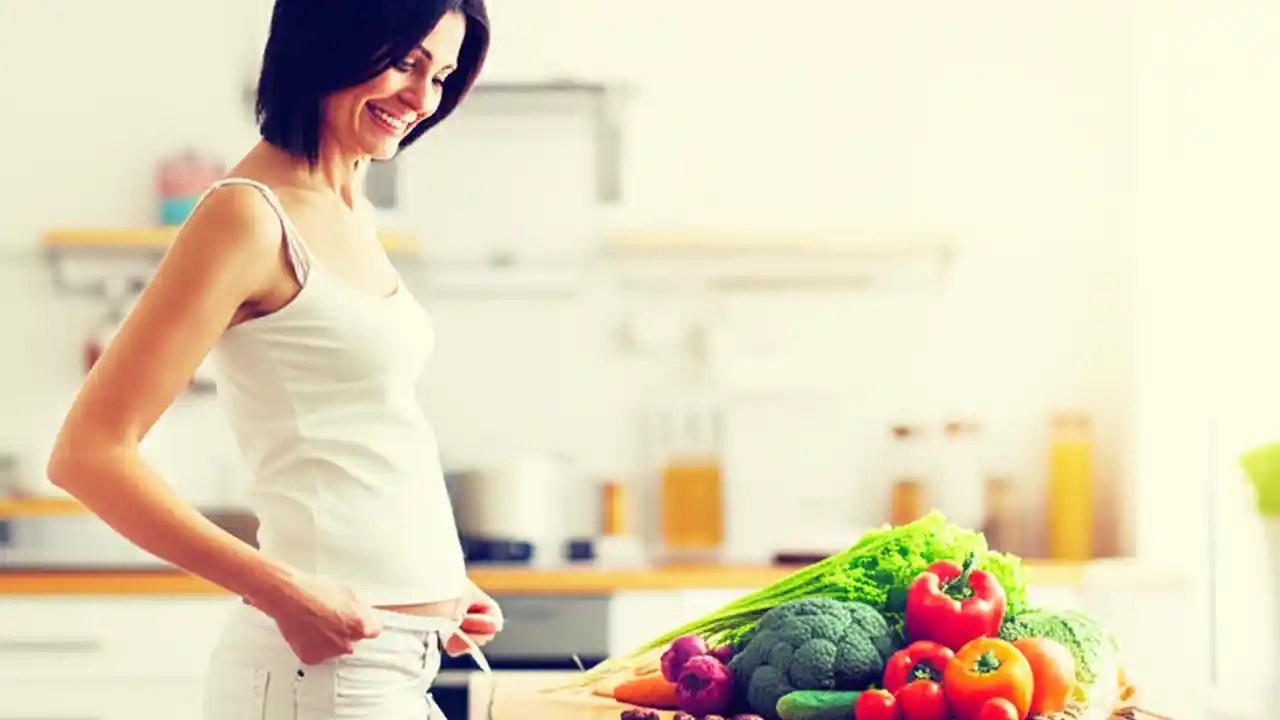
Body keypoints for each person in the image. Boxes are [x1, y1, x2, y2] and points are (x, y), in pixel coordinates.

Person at [45, 1, 498, 717]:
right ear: (331, 40)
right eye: (405, 63)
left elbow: (357, 430)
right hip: (319, 677)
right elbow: (88, 454)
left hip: (389, 661)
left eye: (440, 76)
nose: (422, 99)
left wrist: (435, 581)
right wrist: (283, 590)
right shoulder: (249, 215)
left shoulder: (350, 207)